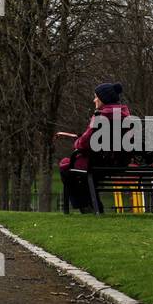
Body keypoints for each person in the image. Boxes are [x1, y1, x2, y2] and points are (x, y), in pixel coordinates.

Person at [54, 82, 130, 214]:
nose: (94, 100)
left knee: (66, 165)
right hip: (119, 161)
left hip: (99, 161)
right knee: (85, 172)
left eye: (96, 97)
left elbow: (84, 143)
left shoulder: (101, 116)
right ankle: (94, 206)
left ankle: (85, 206)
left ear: (104, 99)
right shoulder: (125, 116)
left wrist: (77, 142)